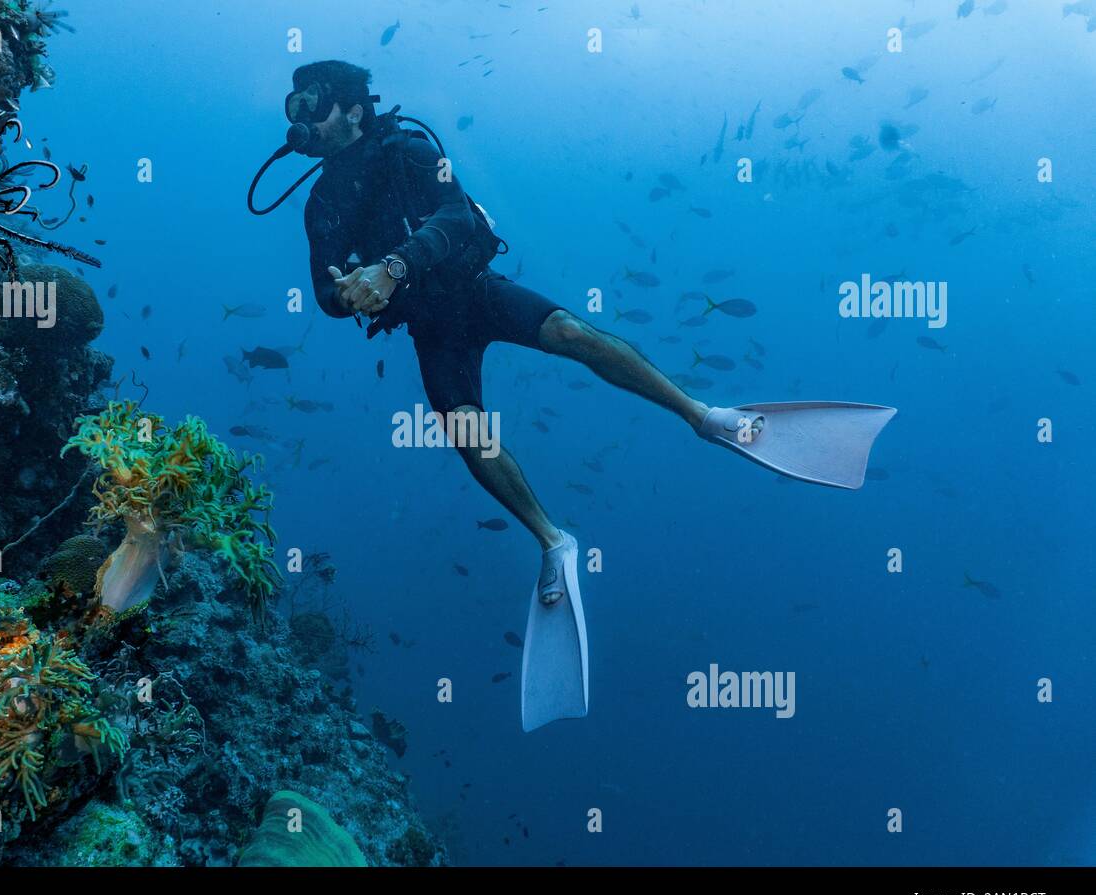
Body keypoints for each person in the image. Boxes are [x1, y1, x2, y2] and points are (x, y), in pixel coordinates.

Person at [281, 60, 895, 730]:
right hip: (430, 326)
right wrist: (346, 294)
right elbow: (323, 292)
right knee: (465, 432)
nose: (300, 120)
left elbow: (458, 215)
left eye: (312, 104)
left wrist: (395, 265)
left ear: (351, 108)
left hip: (473, 291)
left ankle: (706, 417)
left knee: (571, 330)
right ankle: (552, 541)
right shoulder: (321, 203)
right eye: (295, 107)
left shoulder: (411, 150)